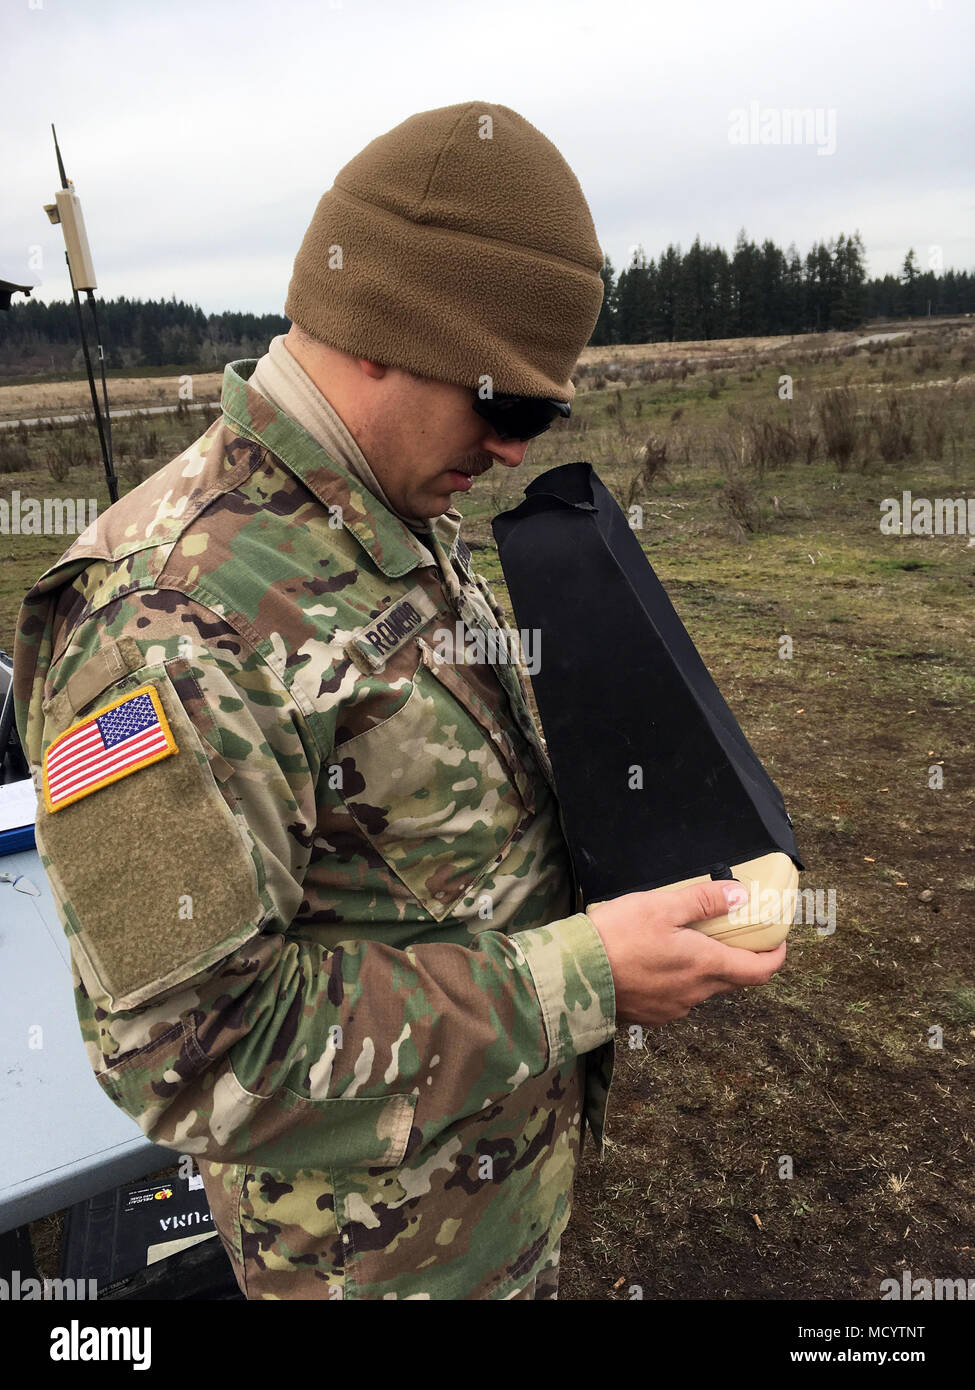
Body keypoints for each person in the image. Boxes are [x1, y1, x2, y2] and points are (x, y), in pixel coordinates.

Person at [12, 101, 785, 1300]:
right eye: (505, 407)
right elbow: (187, 1053)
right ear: (381, 332)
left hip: (484, 1214)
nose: (516, 451)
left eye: (546, 414)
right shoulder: (161, 622)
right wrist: (580, 977)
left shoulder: (383, 513)